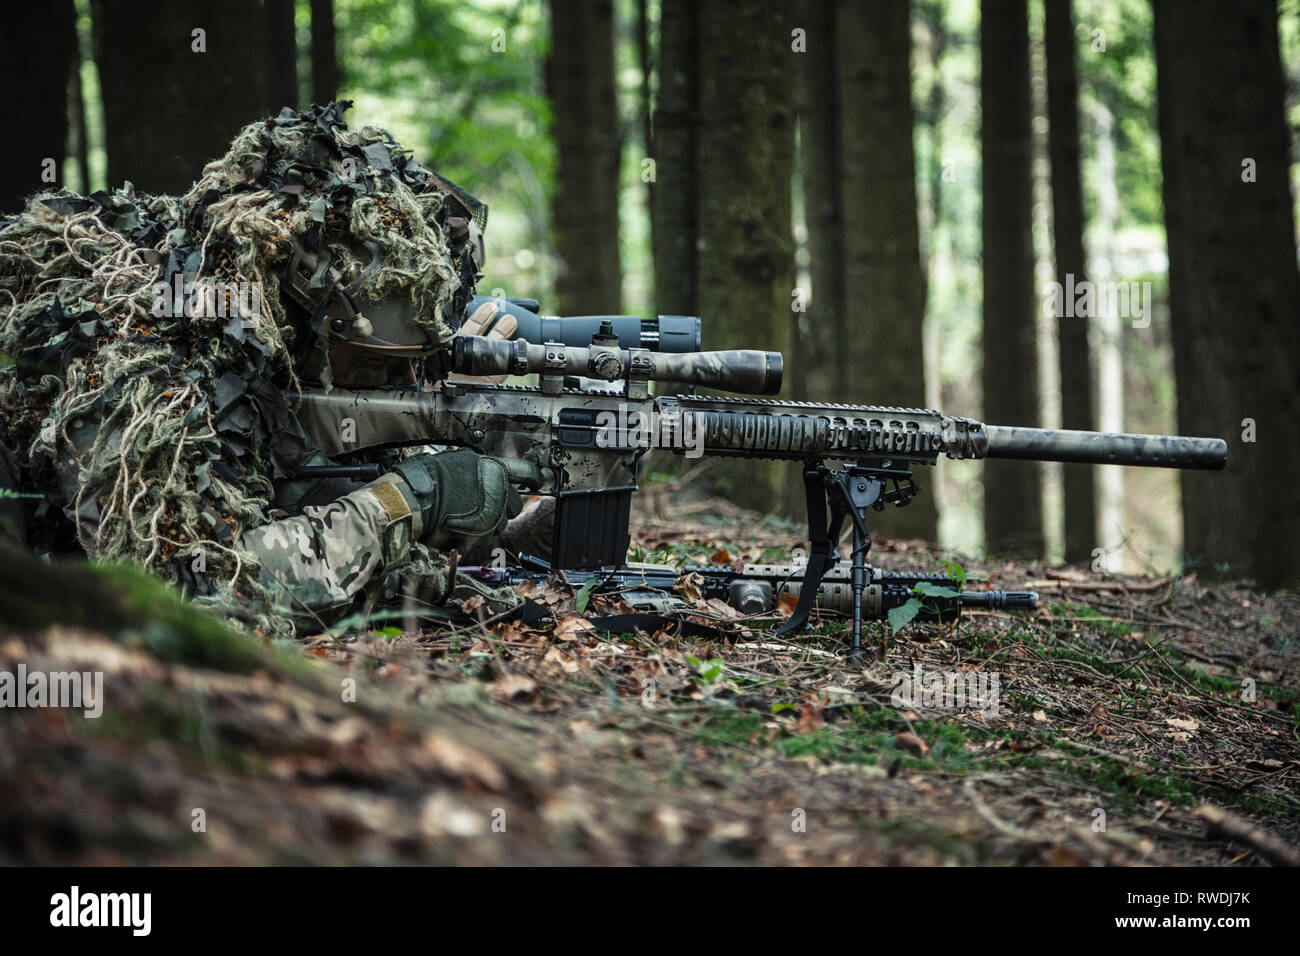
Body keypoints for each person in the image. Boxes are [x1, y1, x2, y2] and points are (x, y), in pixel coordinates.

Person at [0, 101, 534, 634]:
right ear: (310, 319)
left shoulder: (261, 358)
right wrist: (406, 501)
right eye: (380, 364)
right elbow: (182, 593)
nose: (402, 384)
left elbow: (295, 521)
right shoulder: (146, 362)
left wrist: (513, 534)